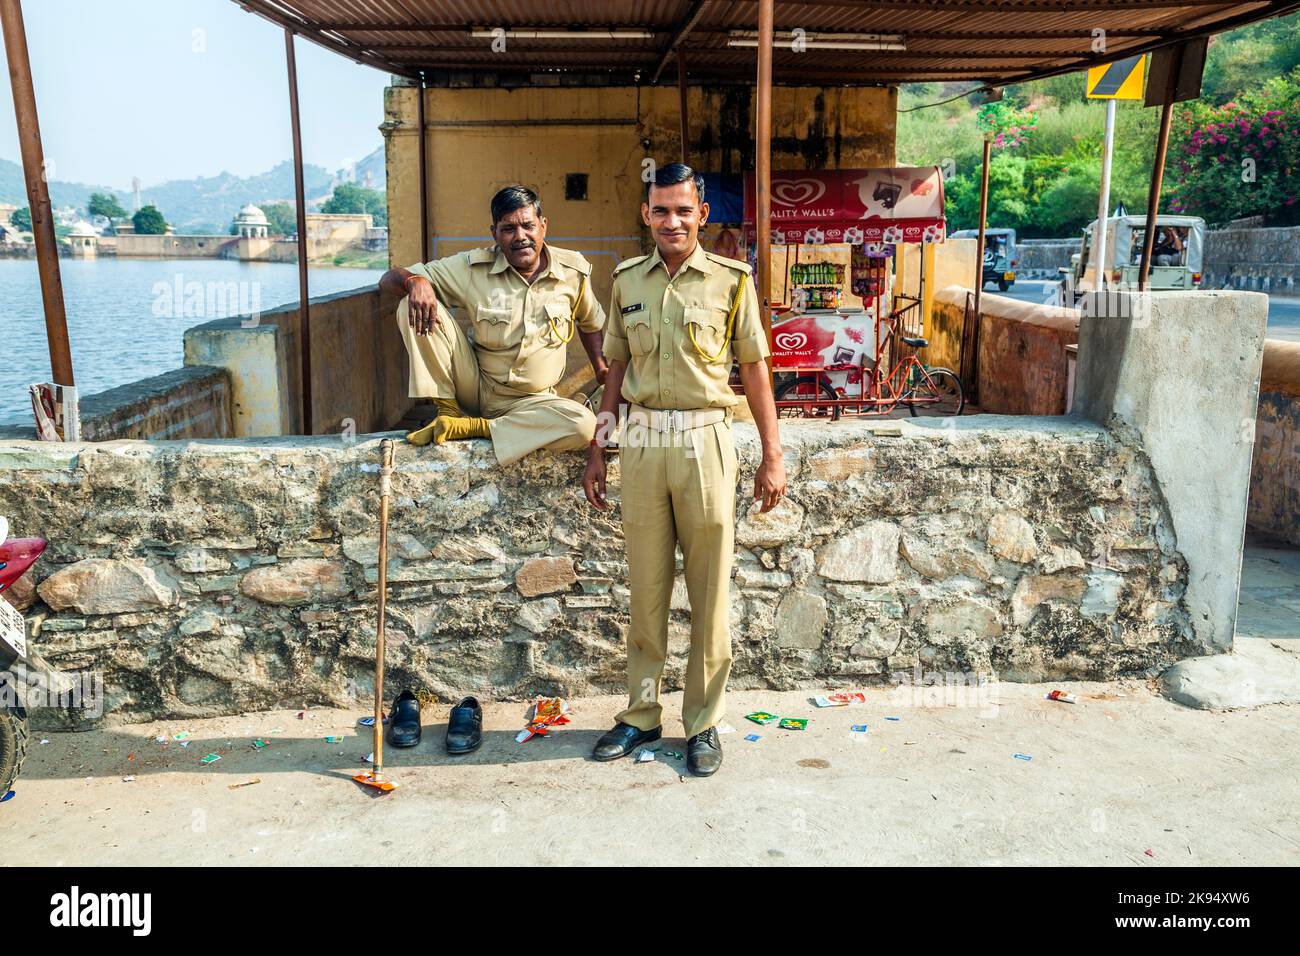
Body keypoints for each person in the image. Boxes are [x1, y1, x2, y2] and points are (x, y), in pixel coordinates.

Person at [583, 163, 787, 777]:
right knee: (645, 590)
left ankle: (702, 723)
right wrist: (601, 444)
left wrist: (772, 454)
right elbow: (613, 368)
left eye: (682, 210)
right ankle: (641, 715)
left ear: (701, 214)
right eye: (660, 210)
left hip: (706, 440)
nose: (671, 221)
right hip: (642, 442)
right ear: (646, 215)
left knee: (708, 593)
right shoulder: (626, 281)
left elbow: (754, 368)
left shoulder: (731, 281)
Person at [379, 185, 608, 467]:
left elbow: (589, 321)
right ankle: (449, 411)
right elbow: (388, 279)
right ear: (495, 233)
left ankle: (471, 427)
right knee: (411, 302)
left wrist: (600, 367)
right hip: (475, 387)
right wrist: (414, 281)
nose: (520, 237)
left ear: (543, 226)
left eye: (528, 226)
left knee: (584, 426)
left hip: (532, 402)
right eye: (508, 229)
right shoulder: (473, 267)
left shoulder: (573, 271)